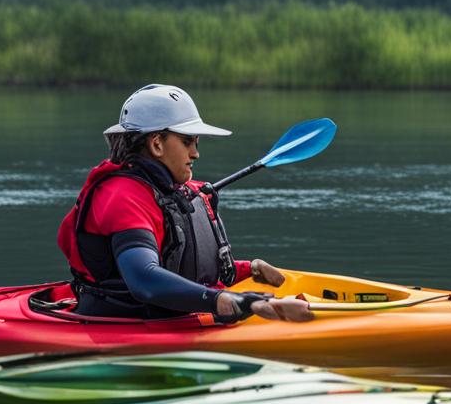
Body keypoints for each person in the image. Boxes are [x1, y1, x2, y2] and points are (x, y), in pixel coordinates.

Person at [57, 84, 313, 324]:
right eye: (187, 142)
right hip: (122, 324)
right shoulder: (123, 196)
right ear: (157, 143)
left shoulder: (172, 192)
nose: (196, 153)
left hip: (174, 317)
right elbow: (143, 279)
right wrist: (221, 301)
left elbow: (183, 264)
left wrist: (248, 269)